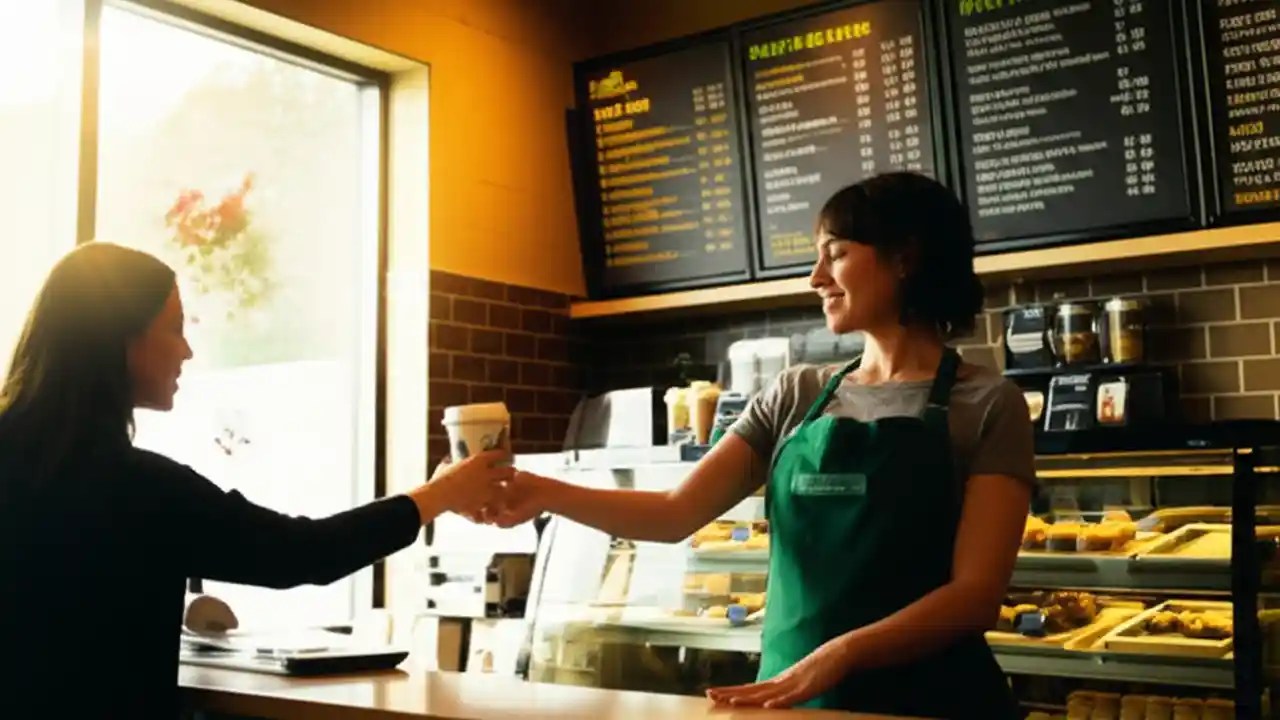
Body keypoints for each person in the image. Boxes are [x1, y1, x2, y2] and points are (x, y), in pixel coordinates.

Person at [491, 172, 1034, 718]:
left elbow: (974, 597)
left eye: (836, 253)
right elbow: (673, 513)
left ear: (904, 258)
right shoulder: (796, 393)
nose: (815, 278)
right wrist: (542, 493)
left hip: (929, 704)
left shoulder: (988, 404)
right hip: (787, 698)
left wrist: (843, 654)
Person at [0, 242, 509, 717]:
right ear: (121, 339)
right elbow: (302, 553)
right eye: (175, 327)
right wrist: (441, 493)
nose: (187, 351)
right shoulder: (138, 490)